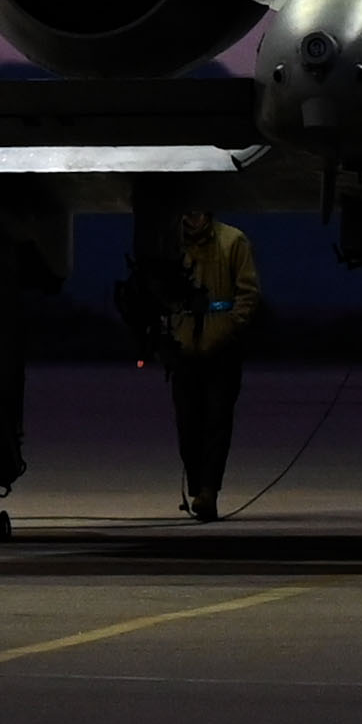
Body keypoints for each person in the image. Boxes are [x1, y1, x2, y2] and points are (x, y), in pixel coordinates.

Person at [146, 203, 262, 521]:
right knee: (188, 423)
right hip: (183, 348)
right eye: (186, 212)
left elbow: (248, 292)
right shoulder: (169, 244)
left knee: (217, 422)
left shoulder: (233, 241)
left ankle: (208, 491)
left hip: (221, 348)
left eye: (196, 212)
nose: (191, 217)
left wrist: (228, 327)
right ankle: (198, 486)